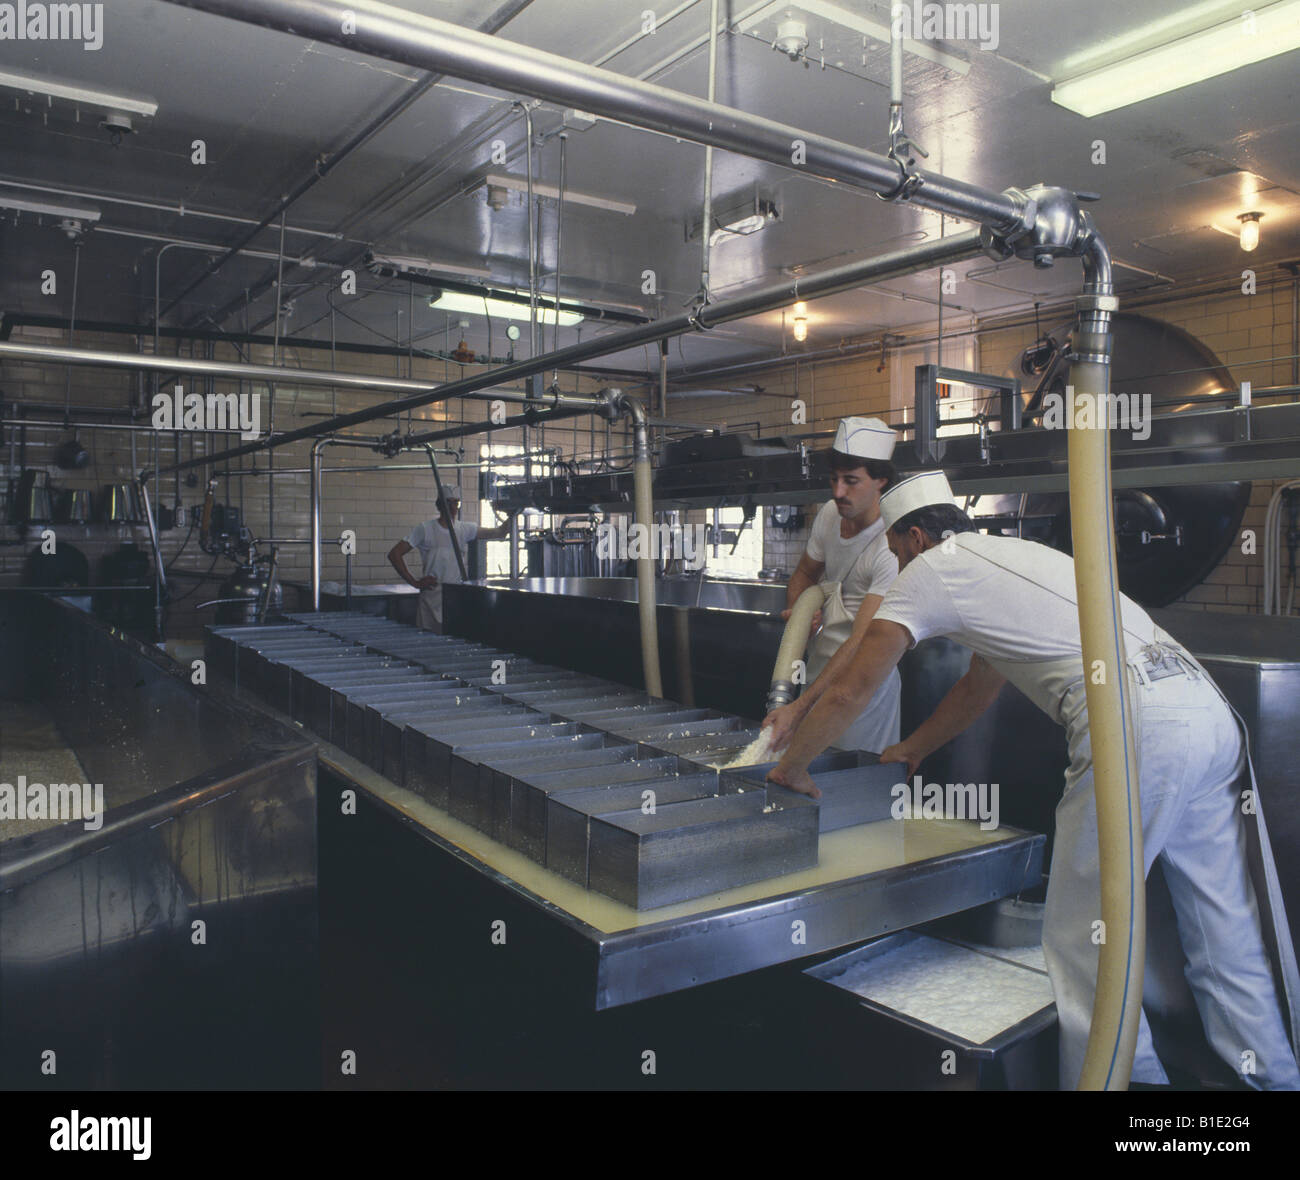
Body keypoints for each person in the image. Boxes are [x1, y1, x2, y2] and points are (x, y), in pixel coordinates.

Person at [764, 469, 1300, 1090]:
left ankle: (1125, 1088)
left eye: (892, 553)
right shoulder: (1009, 555)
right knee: (1223, 922)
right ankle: (1274, 1082)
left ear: (912, 539)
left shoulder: (927, 572)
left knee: (1083, 936)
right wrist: (911, 750)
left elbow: (857, 682)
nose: (894, 568)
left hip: (1136, 729)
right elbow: (977, 689)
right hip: (1204, 712)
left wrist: (792, 766)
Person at [779, 416, 901, 753]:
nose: (838, 492)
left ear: (881, 481)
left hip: (863, 686)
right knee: (803, 776)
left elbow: (863, 641)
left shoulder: (891, 544)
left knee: (848, 782)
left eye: (851, 481)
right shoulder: (830, 515)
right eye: (833, 480)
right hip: (819, 671)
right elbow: (805, 572)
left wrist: (798, 709)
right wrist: (801, 610)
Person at [388, 486, 514, 632]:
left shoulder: (465, 529)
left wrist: (513, 514)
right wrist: (415, 583)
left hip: (455, 596)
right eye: (449, 503)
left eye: (456, 503)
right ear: (439, 505)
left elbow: (499, 533)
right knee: (429, 642)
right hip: (432, 597)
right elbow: (394, 554)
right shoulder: (425, 529)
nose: (453, 507)